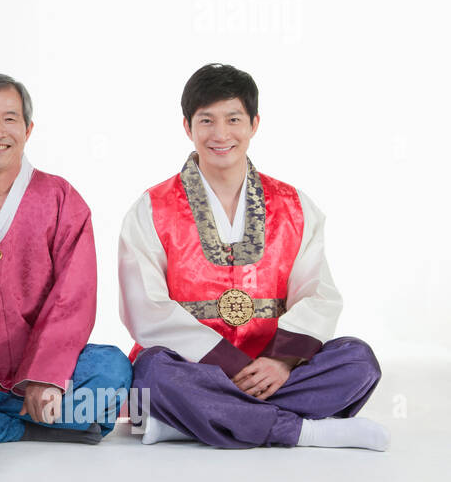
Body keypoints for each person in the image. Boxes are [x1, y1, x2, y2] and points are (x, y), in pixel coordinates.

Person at [119, 63, 387, 450]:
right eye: (206, 121)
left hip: (274, 368)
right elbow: (145, 308)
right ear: (187, 127)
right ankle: (302, 431)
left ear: (254, 124)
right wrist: (230, 367)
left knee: (358, 361)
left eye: (233, 119)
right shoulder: (151, 208)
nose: (221, 134)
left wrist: (281, 362)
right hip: (191, 369)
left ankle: (192, 422)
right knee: (151, 374)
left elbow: (318, 294)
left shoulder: (294, 206)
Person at [0, 73, 132, 445]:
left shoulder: (62, 200)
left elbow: (74, 297)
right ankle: (28, 424)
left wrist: (45, 375)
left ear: (28, 129)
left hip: (40, 372)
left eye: (10, 119)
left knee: (112, 370)